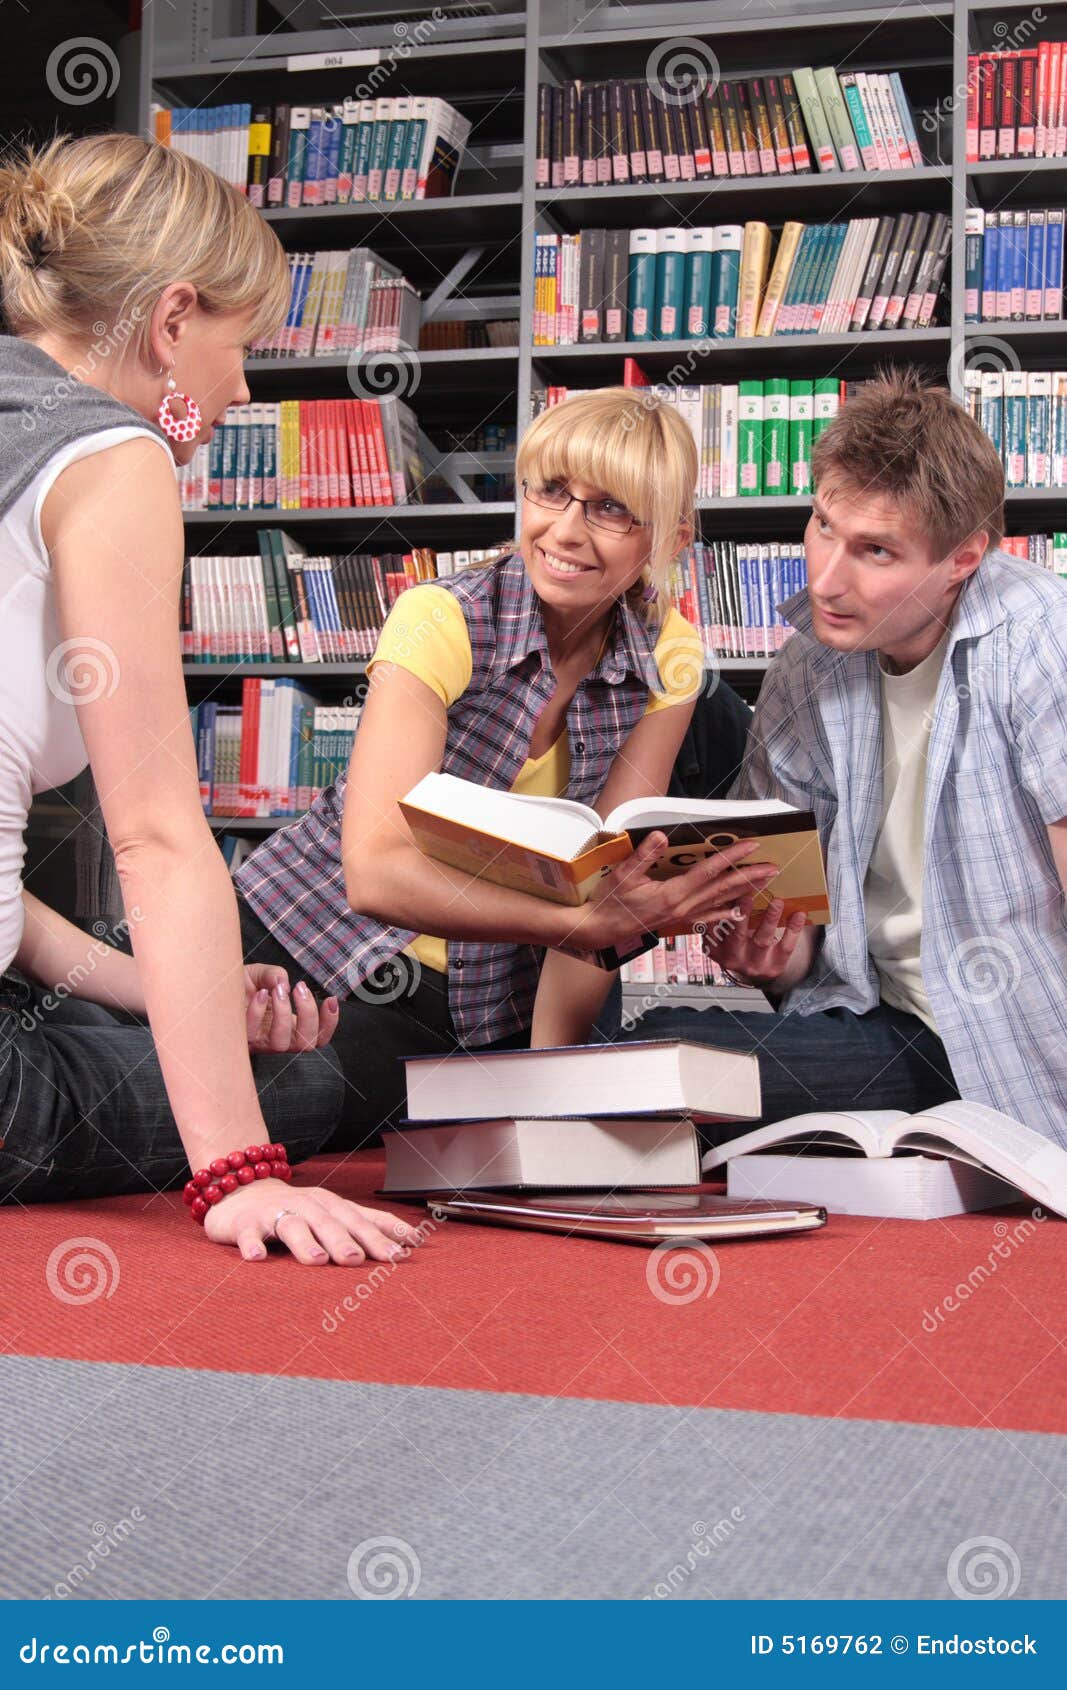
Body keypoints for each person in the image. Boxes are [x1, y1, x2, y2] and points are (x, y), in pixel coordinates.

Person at [0, 133, 419, 1263]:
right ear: (171, 320)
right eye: (241, 348)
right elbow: (155, 836)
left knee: (176, 1028)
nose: (238, 389)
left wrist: (160, 991)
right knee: (316, 1075)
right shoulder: (112, 451)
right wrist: (237, 1171)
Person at [234, 386, 780, 1146]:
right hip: (292, 936)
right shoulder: (441, 617)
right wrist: (582, 922)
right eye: (550, 491)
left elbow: (608, 878)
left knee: (341, 1109)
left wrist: (547, 1081)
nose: (565, 530)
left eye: (612, 509)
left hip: (469, 1001)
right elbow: (373, 874)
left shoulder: (671, 655)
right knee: (237, 1082)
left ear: (673, 538)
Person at [630, 369, 1067, 1149]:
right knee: (647, 1056)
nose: (826, 579)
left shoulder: (1043, 640)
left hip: (1025, 1050)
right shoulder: (811, 661)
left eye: (874, 550)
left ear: (963, 556)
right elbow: (798, 929)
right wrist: (778, 956)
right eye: (823, 526)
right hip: (893, 1031)